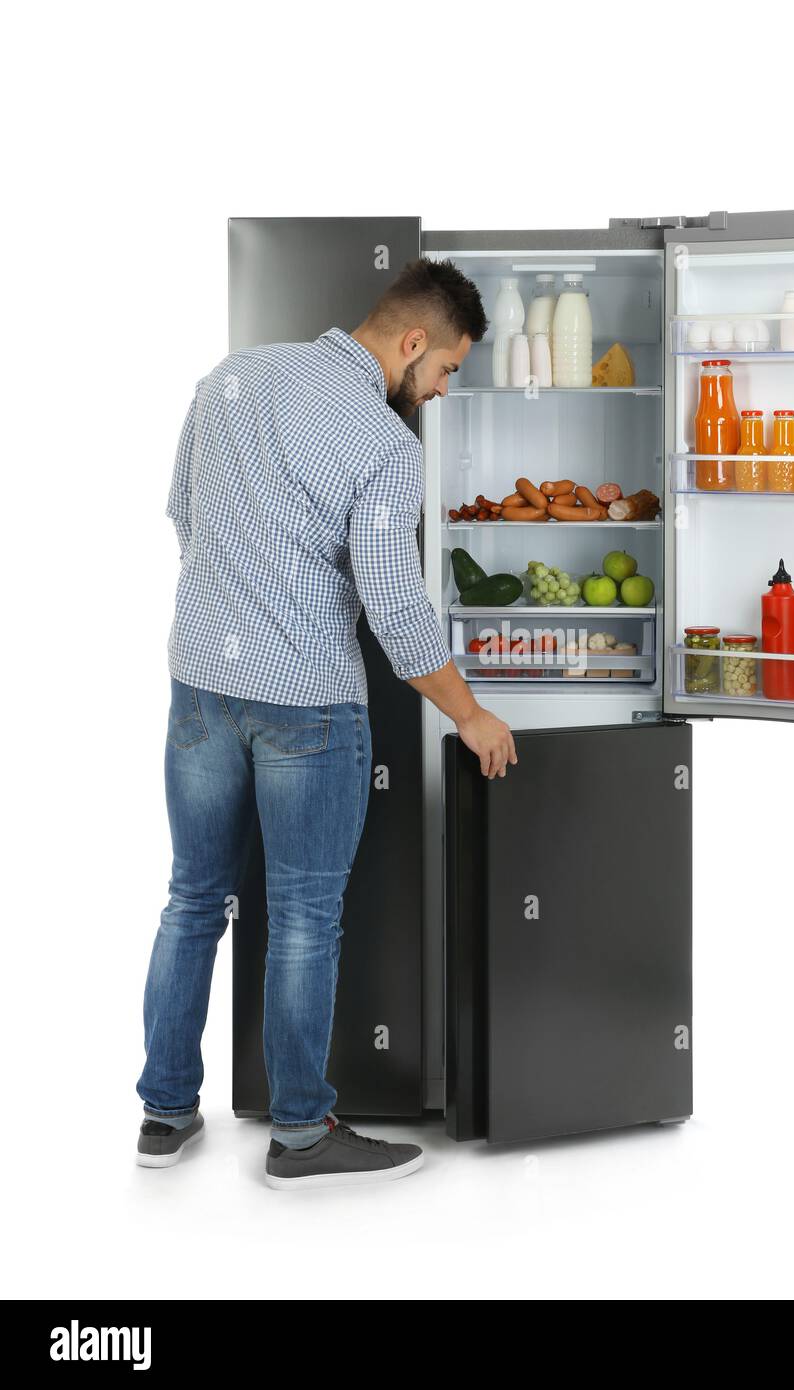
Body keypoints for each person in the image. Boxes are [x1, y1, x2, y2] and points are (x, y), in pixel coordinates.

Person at [136, 259, 516, 1189]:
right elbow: (393, 607)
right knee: (303, 918)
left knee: (193, 902)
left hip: (200, 688)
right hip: (306, 705)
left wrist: (244, 591)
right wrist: (468, 714)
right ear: (414, 343)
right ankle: (302, 1136)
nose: (440, 389)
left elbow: (181, 511)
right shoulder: (384, 444)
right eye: (448, 370)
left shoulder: (230, 377)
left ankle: (165, 1114)